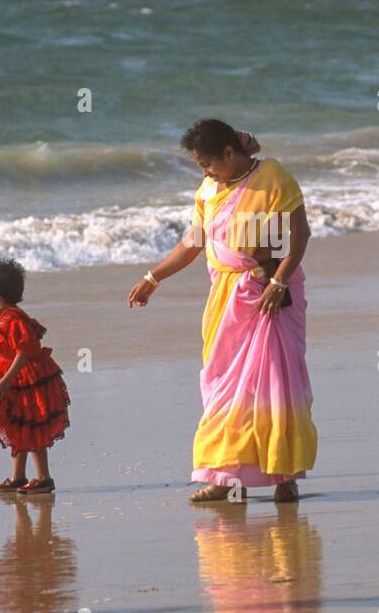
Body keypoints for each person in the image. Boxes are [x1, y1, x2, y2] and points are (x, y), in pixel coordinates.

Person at [127, 120, 318, 504]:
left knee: (275, 385)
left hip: (269, 293)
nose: (204, 172)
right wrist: (153, 276)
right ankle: (227, 477)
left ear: (231, 153)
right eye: (200, 166)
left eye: (208, 163)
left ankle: (285, 477)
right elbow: (193, 242)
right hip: (227, 298)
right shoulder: (210, 189)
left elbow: (300, 236)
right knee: (222, 387)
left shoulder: (273, 178)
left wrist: (278, 282)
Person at [0, 258, 70, 494]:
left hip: (27, 380)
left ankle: (43, 479)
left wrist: (7, 379)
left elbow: (24, 352)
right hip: (12, 378)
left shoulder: (15, 320)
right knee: (15, 427)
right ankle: (18, 477)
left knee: (33, 427)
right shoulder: (2, 318)